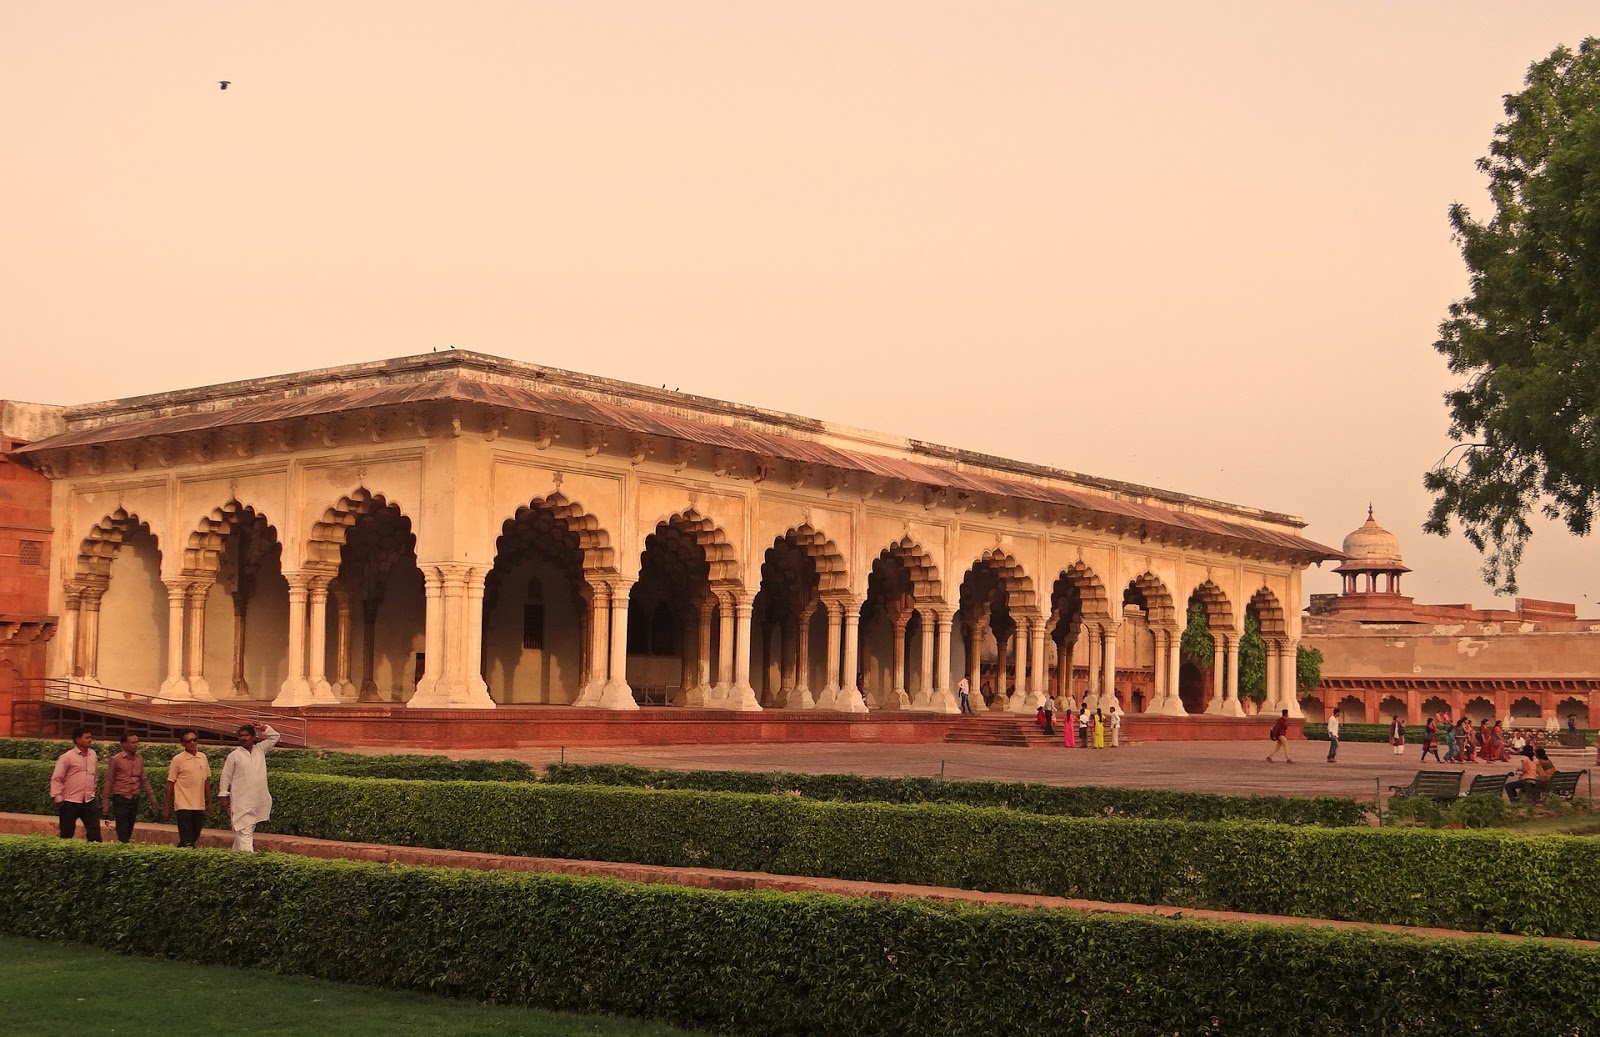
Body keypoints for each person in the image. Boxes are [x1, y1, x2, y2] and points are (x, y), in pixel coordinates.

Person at [218, 722, 280, 852]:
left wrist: (264, 728)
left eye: (246, 735)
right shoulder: (234, 755)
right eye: (241, 736)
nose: (243, 738)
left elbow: (275, 737)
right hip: (241, 801)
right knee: (245, 831)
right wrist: (223, 795)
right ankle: (249, 860)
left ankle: (235, 857)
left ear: (253, 737)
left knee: (245, 831)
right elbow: (226, 776)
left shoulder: (260, 749)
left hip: (257, 799)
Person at [102, 733, 158, 843]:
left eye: (137, 742)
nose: (135, 745)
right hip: (121, 797)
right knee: (122, 828)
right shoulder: (116, 759)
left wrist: (152, 798)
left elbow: (143, 779)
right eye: (132, 742)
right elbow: (109, 781)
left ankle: (124, 846)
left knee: (129, 827)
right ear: (124, 744)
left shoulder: (139, 759)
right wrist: (105, 805)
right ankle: (123, 846)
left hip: (134, 797)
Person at [49, 726, 102, 841]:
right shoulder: (67, 757)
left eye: (90, 737)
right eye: (87, 738)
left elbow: (95, 775)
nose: (90, 740)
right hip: (70, 801)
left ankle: (93, 852)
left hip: (89, 800)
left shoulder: (93, 755)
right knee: (67, 834)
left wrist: (92, 791)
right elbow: (57, 778)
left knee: (95, 834)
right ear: (77, 740)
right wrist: (57, 797)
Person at [163, 729, 212, 848]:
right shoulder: (178, 759)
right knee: (187, 839)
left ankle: (178, 853)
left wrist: (209, 802)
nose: (192, 743)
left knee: (195, 834)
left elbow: (206, 780)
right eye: (188, 741)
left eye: (194, 740)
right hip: (183, 804)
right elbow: (170, 783)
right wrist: (166, 806)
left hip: (199, 804)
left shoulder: (203, 757)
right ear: (183, 743)